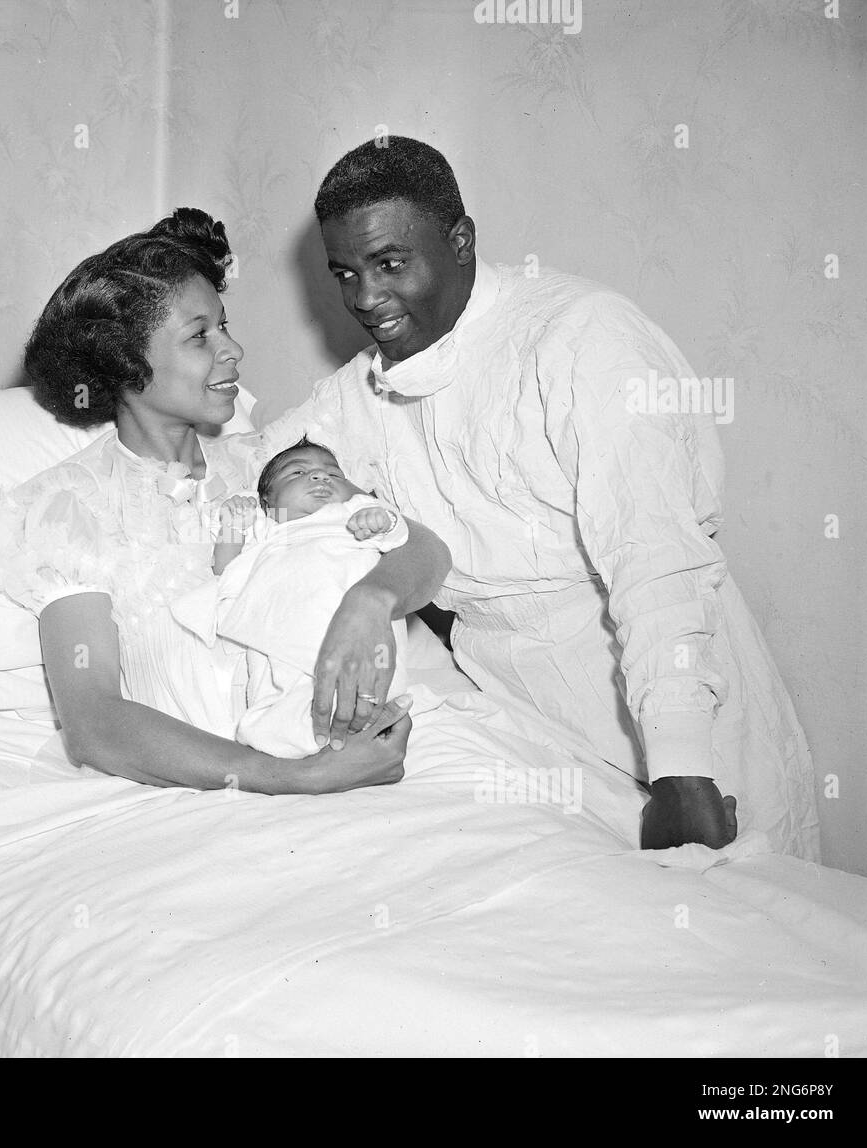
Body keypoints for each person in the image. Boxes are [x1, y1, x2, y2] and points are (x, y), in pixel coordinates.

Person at [260, 136, 818, 856]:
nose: (365, 299)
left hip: (683, 717)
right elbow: (241, 462)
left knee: (750, 931)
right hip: (527, 726)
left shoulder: (581, 337)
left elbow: (655, 562)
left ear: (460, 241)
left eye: (390, 264)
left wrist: (682, 773)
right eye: (345, 273)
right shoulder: (361, 394)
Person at [0, 208, 451, 794]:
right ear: (124, 362)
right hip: (201, 797)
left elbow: (426, 550)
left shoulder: (265, 469)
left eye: (224, 326)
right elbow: (93, 722)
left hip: (346, 757)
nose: (233, 348)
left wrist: (371, 599)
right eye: (200, 335)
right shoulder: (74, 504)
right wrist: (295, 778)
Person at [172, 437, 419, 758]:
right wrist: (233, 527)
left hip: (358, 631)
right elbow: (227, 570)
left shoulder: (355, 512)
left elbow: (402, 538)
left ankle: (358, 729)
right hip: (285, 632)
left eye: (333, 473)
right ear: (267, 502)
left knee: (368, 688)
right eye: (297, 473)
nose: (320, 477)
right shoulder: (267, 527)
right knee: (276, 695)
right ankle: (293, 743)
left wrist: (383, 521)